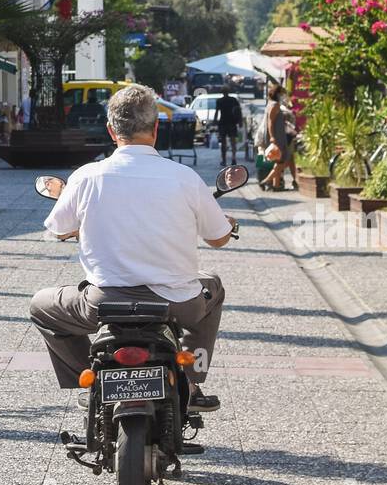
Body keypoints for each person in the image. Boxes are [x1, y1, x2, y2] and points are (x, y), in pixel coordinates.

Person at [29, 83, 235, 409]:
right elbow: (218, 237)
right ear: (156, 128)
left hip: (102, 303)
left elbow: (57, 231)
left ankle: (93, 379)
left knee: (41, 305)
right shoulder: (185, 178)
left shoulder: (86, 177)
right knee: (214, 287)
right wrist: (228, 225)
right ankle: (191, 383)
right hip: (178, 303)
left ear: (112, 130)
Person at [260, 81, 289, 190]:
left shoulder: (270, 104)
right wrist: (272, 137)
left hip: (276, 135)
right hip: (277, 136)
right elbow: (270, 122)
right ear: (278, 94)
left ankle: (276, 185)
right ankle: (266, 181)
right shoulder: (275, 105)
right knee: (282, 160)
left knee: (278, 161)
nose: (283, 96)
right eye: (282, 94)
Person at [212, 87, 243, 165]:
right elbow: (239, 111)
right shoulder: (233, 100)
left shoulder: (219, 101)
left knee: (223, 142)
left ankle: (224, 160)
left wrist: (214, 121)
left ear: (222, 92)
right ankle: (233, 158)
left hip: (223, 123)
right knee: (232, 142)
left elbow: (216, 112)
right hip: (232, 122)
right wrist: (240, 121)